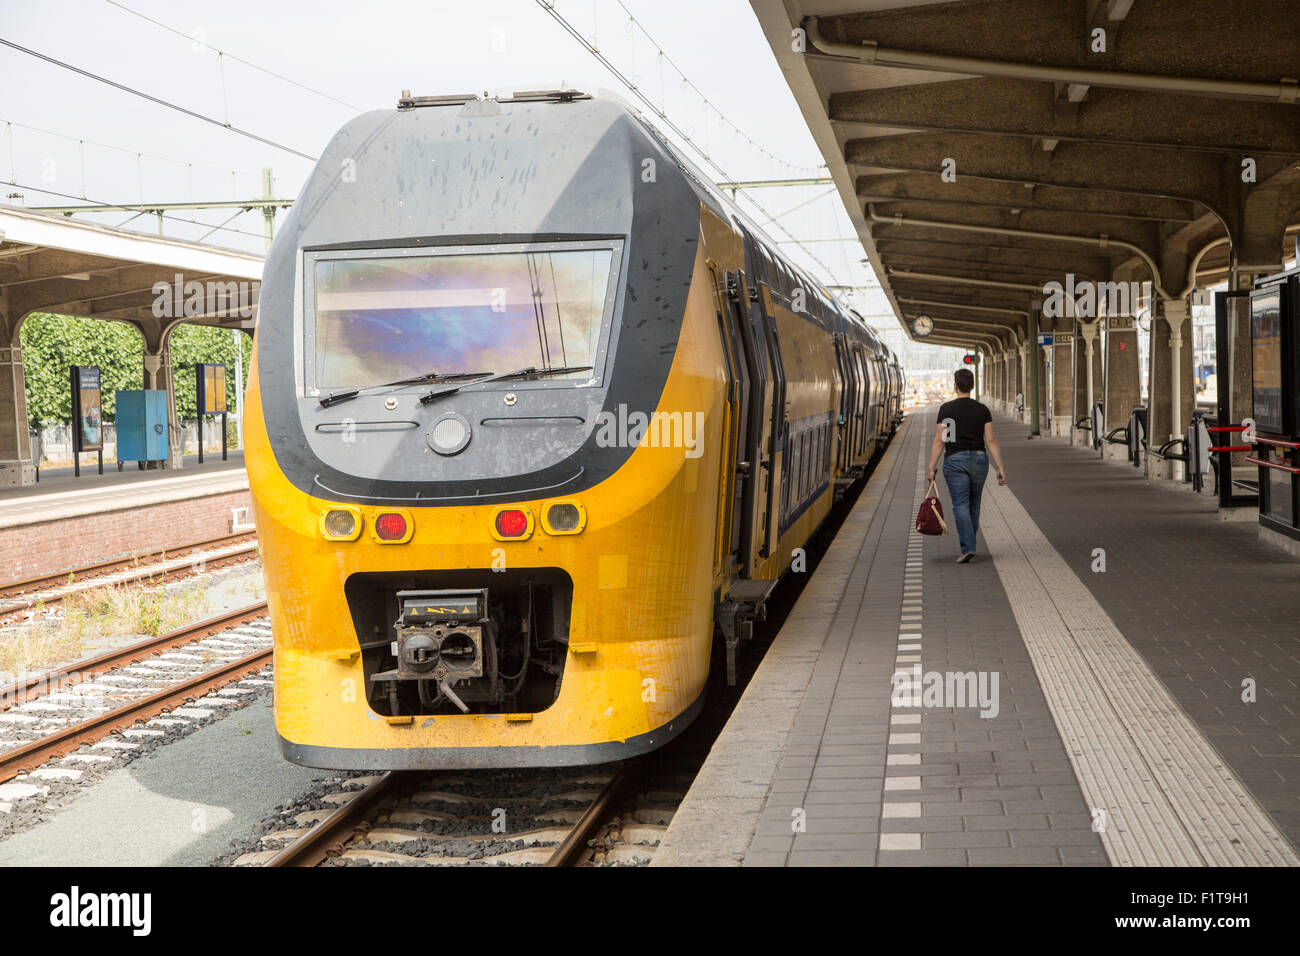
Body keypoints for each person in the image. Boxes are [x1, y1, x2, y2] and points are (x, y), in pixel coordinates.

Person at [926, 368, 1007, 563]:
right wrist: (1000, 467)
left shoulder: (946, 409)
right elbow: (991, 440)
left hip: (955, 460)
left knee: (960, 505)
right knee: (974, 504)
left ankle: (968, 547)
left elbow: (940, 440)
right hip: (979, 459)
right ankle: (969, 543)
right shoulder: (982, 410)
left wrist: (931, 466)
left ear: (955, 386)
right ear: (972, 386)